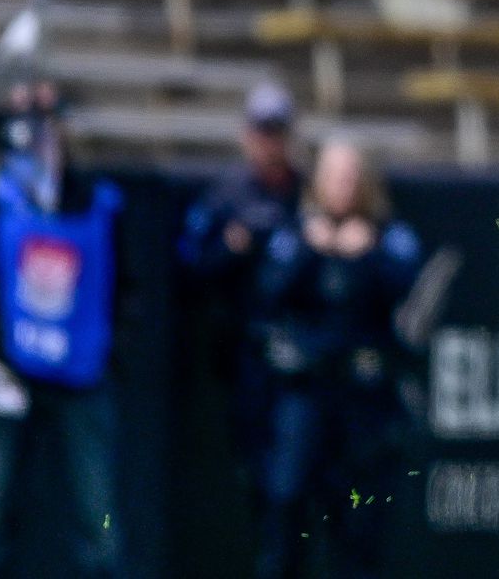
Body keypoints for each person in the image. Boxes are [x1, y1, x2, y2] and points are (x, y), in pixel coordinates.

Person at [0, 75, 127, 579]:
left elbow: (125, 285)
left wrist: (109, 349)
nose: (35, 130)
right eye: (24, 118)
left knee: (100, 516)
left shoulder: (97, 200)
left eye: (45, 117)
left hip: (82, 378)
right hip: (12, 373)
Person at [252, 140, 421, 579]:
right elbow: (266, 295)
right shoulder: (295, 236)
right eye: (334, 176)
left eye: (350, 176)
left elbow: (410, 299)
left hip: (364, 400)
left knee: (359, 513)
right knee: (287, 501)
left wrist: (367, 256)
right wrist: (314, 249)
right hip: (305, 395)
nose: (342, 186)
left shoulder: (389, 240)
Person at [179, 80, 303, 481]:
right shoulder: (225, 195)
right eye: (262, 130)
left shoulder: (307, 194)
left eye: (277, 130)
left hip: (300, 348)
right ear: (246, 135)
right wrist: (231, 249)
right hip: (243, 348)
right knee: (252, 463)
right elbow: (189, 265)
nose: (270, 142)